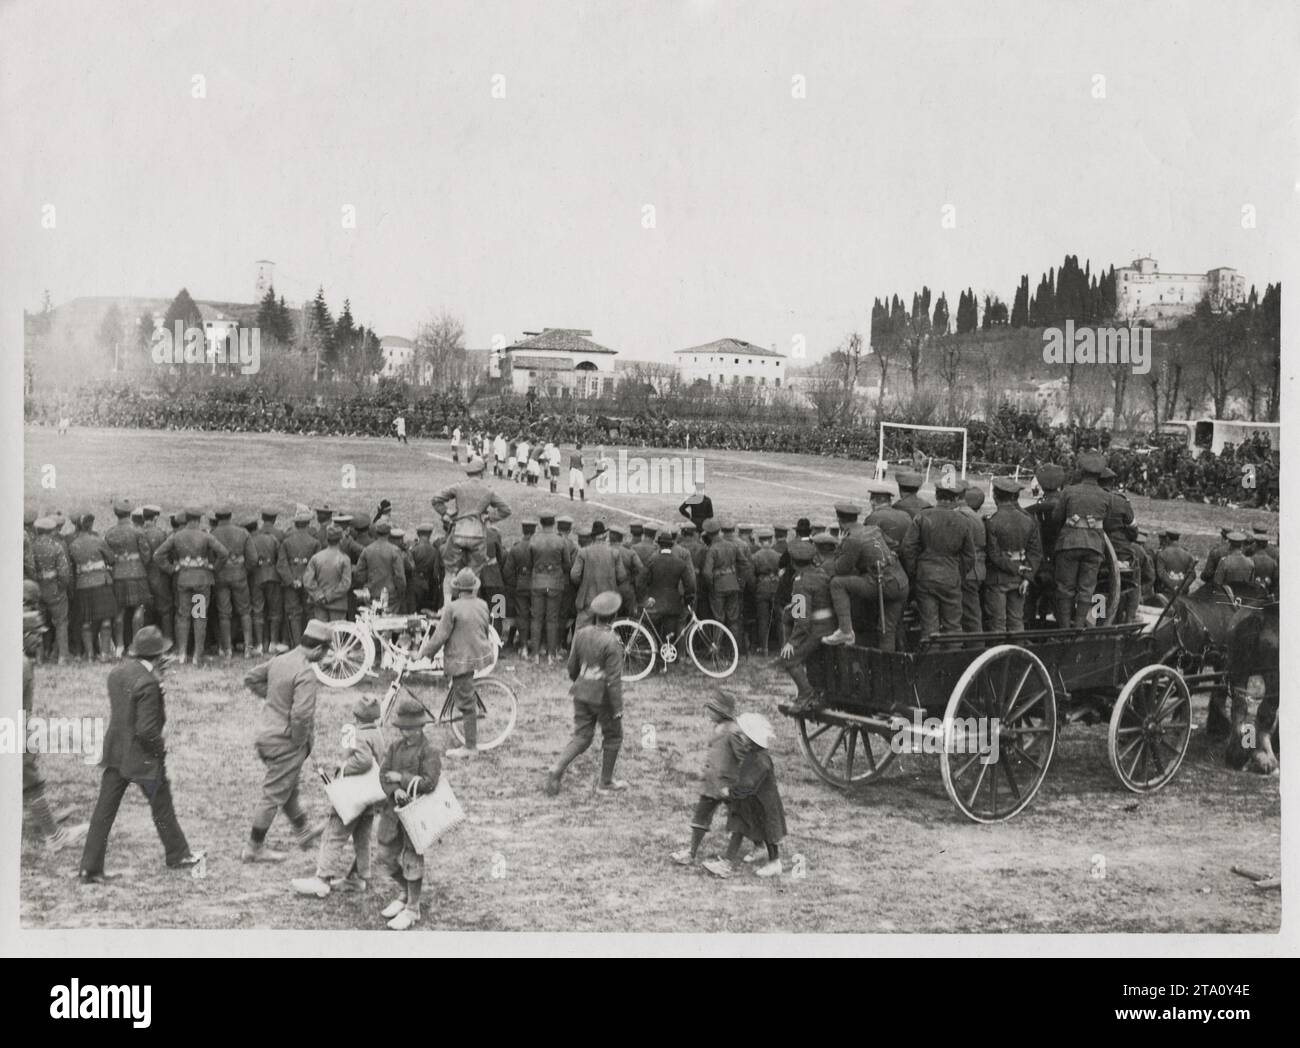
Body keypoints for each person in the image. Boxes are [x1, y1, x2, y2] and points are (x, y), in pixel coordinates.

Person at [79, 626, 204, 883]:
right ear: (158, 656)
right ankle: (178, 854)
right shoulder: (149, 683)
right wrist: (160, 750)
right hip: (143, 757)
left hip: (116, 751)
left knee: (104, 810)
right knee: (162, 804)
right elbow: (147, 729)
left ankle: (89, 868)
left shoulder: (117, 672)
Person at [241, 619, 332, 862]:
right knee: (274, 793)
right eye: (325, 652)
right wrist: (300, 742)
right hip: (286, 742)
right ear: (317, 649)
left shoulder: (280, 660)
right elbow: (301, 716)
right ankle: (254, 846)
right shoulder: (305, 673)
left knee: (287, 786)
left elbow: (251, 678)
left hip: (265, 736)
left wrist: (273, 699)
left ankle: (303, 832)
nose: (324, 657)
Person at [291, 695, 385, 899]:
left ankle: (322, 879)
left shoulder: (358, 734)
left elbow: (364, 761)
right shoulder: (377, 733)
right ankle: (358, 878)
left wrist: (343, 770)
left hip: (352, 797)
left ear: (357, 716)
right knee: (362, 838)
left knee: (334, 834)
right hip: (370, 798)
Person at [23, 582, 88, 851]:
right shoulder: (22, 664)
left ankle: (34, 817)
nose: (40, 638)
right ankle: (53, 835)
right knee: (30, 780)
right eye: (35, 634)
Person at [544, 591, 626, 796]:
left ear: (596, 614)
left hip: (581, 691)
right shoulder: (612, 642)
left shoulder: (581, 633)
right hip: (603, 697)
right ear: (614, 616)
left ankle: (557, 767)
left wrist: (580, 682)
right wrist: (617, 708)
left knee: (582, 736)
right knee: (614, 736)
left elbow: (572, 666)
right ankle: (605, 782)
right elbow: (613, 680)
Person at [376, 695, 442, 930]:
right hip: (393, 813)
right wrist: (394, 790)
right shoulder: (394, 748)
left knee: (413, 859)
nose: (406, 734)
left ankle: (413, 908)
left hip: (417, 815)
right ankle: (404, 892)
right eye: (402, 729)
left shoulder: (429, 751)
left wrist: (402, 778)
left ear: (421, 727)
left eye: (411, 729)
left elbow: (430, 782)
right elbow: (383, 774)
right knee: (384, 854)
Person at [418, 568, 495, 758]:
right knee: (464, 691)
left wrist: (424, 653)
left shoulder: (452, 607)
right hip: (479, 654)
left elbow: (440, 635)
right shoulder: (483, 604)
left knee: (467, 703)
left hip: (461, 658)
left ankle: (470, 747)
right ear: (474, 588)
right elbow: (485, 629)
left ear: (458, 589)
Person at [702, 713, 786, 879]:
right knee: (739, 826)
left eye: (744, 736)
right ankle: (728, 862)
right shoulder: (752, 754)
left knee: (768, 832)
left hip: (764, 804)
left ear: (753, 739)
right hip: (751, 801)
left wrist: (731, 792)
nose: (741, 737)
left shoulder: (761, 761)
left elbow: (749, 784)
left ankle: (775, 863)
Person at [821, 503, 908, 651]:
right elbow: (895, 545)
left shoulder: (852, 539)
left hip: (882, 583)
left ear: (839, 521)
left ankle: (845, 630)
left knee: (837, 583)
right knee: (886, 629)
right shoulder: (874, 529)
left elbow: (840, 569)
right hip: (901, 582)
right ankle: (886, 668)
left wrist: (840, 546)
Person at [671, 692, 744, 866]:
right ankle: (691, 852)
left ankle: (757, 847)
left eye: (712, 709)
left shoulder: (733, 732)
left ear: (722, 712)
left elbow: (743, 758)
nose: (708, 712)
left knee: (741, 818)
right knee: (700, 817)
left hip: (728, 786)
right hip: (711, 784)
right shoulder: (717, 728)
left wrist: (742, 782)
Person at [153, 505, 229, 666]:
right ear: (199, 519)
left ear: (186, 519)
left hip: (183, 580)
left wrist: (171, 568)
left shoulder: (177, 536)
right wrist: (214, 567)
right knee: (199, 616)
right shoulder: (205, 536)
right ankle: (197, 655)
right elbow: (223, 553)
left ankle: (181, 654)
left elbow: (158, 555)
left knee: (183, 616)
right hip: (201, 581)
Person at [431, 456, 512, 605]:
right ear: (482, 472)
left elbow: (436, 499)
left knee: (450, 571)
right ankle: (470, 603)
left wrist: (447, 513)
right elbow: (506, 509)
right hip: (477, 534)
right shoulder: (488, 491)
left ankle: (448, 604)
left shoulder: (459, 487)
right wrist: (489, 518)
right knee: (475, 573)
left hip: (459, 532)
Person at [901, 474, 975, 636]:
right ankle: (953, 658)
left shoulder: (923, 516)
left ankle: (931, 658)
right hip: (951, 577)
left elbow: (908, 548)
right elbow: (969, 556)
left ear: (936, 496)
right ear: (955, 498)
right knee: (953, 626)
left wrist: (916, 570)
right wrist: (957, 572)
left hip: (926, 576)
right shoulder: (963, 521)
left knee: (929, 627)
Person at [1050, 452, 1115, 628]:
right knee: (1087, 589)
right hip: (1094, 546)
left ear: (1081, 471)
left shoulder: (1068, 491)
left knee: (1065, 588)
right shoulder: (1107, 496)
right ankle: (1079, 627)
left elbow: (1056, 518)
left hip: (1069, 543)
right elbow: (1108, 524)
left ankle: (1064, 628)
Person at [778, 537, 834, 709]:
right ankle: (816, 692)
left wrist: (791, 643)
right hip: (829, 626)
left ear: (793, 563)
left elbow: (802, 621)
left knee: (789, 659)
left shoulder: (800, 583)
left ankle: (806, 694)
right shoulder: (821, 573)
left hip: (816, 630)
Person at [982, 477, 1042, 632]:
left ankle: (999, 655)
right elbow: (1036, 553)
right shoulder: (1028, 520)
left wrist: (1017, 569)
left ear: (995, 496)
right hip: (1020, 580)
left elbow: (994, 555)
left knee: (998, 623)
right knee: (1016, 621)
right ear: (1015, 497)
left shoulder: (992, 522)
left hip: (998, 579)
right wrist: (1027, 577)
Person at [104, 496, 152, 656]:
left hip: (118, 574)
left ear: (116, 514)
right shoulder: (138, 532)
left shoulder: (109, 533)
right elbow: (146, 555)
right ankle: (135, 646)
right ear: (130, 513)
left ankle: (119, 646)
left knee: (119, 611)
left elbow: (108, 557)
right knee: (139, 608)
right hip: (137, 573)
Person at [68, 510, 118, 662]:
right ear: (90, 525)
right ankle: (104, 654)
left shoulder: (73, 544)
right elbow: (111, 559)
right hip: (101, 582)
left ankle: (89, 655)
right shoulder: (98, 541)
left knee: (86, 621)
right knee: (105, 620)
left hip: (82, 585)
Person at [638, 531, 696, 651]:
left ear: (659, 545)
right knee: (669, 634)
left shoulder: (652, 560)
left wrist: (645, 598)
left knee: (654, 633)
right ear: (671, 546)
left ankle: (656, 658)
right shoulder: (680, 563)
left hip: (655, 603)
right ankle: (667, 658)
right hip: (673, 604)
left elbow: (641, 581)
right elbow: (690, 585)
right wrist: (687, 599)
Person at [211, 505, 256, 659]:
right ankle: (248, 648)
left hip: (221, 577)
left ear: (217, 518)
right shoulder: (242, 532)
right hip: (239, 575)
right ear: (230, 516)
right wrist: (244, 570)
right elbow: (253, 559)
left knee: (224, 614)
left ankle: (227, 649)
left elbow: (211, 558)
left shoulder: (212, 534)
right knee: (245, 611)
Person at [528, 512, 572, 663]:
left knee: (536, 618)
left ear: (541, 523)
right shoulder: (560, 541)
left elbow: (529, 561)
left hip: (538, 582)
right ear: (553, 524)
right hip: (554, 584)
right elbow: (567, 564)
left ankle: (534, 654)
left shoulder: (534, 539)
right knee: (552, 619)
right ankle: (551, 654)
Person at [571, 523, 628, 628]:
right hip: (608, 598)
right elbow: (622, 576)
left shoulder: (583, 552)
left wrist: (583, 584)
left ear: (592, 537)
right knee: (606, 629)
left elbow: (574, 575)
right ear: (605, 537)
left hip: (587, 598)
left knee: (581, 631)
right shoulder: (614, 553)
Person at [302, 524, 352, 621]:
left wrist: (319, 595)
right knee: (337, 634)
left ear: (327, 539)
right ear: (340, 539)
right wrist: (329, 596)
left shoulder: (316, 558)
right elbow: (345, 584)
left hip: (320, 605)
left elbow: (307, 581)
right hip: (338, 605)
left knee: (321, 634)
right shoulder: (344, 559)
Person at [355, 519, 407, 612]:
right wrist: (400, 592)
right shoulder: (394, 550)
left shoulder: (367, 550)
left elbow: (358, 574)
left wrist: (367, 585)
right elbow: (400, 577)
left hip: (371, 594)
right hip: (391, 596)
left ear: (376, 532)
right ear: (389, 532)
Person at [1154, 529, 1196, 600]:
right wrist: (1182, 588)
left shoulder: (1162, 554)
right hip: (1183, 593)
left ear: (1167, 538)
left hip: (1166, 593)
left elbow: (1161, 574)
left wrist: (1173, 587)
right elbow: (1192, 575)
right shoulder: (1187, 554)